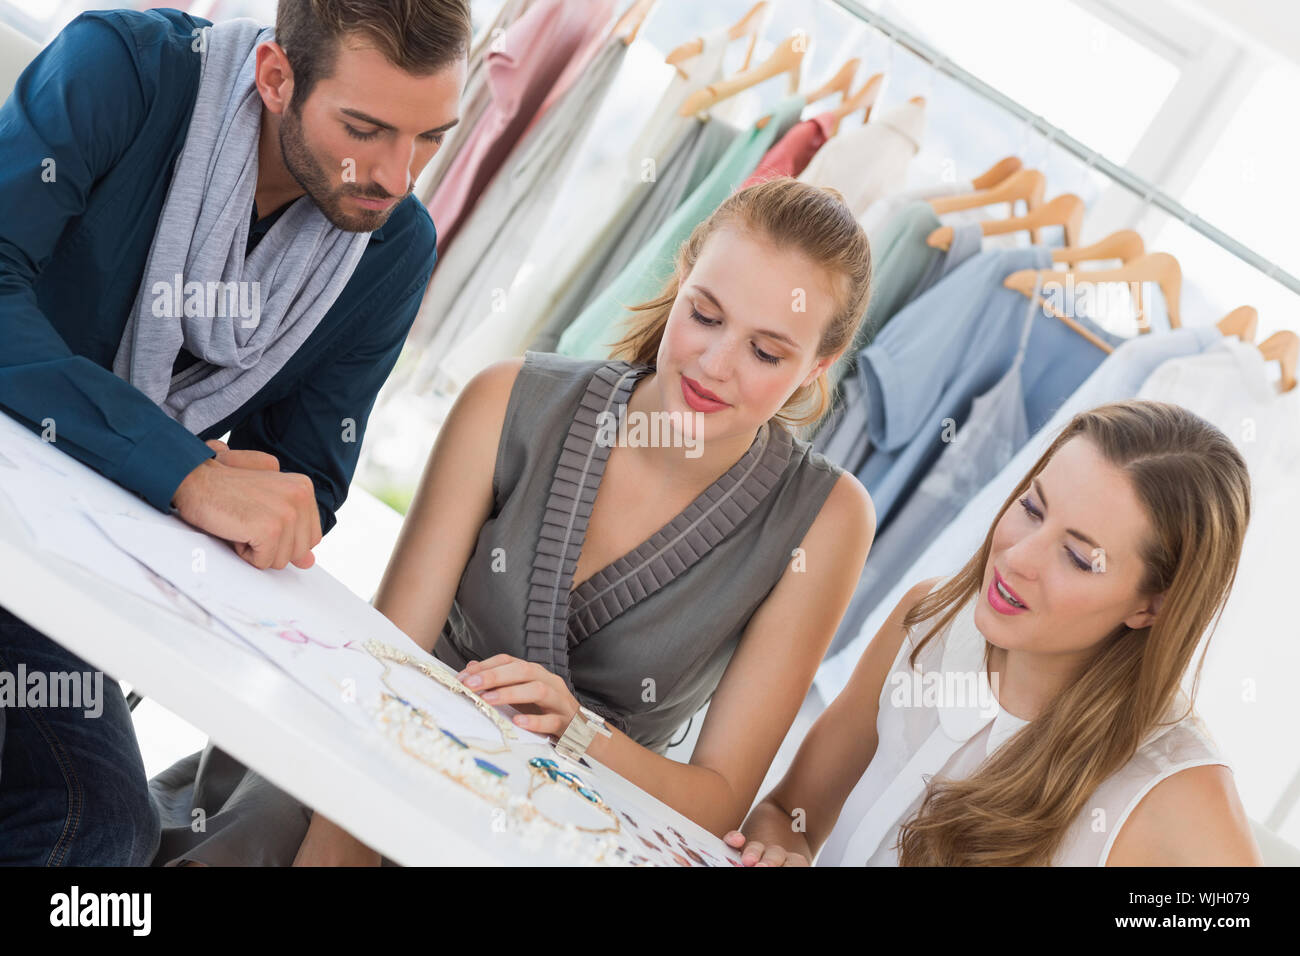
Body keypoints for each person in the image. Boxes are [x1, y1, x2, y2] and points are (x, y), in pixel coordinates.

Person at [150, 176, 878, 865]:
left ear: (819, 365)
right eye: (705, 315)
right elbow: (385, 662)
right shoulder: (506, 401)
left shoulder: (825, 520)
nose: (716, 363)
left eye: (765, 350)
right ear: (681, 278)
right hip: (368, 748)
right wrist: (348, 830)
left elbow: (716, 797)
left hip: (554, 835)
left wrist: (580, 731)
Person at [0, 0, 470, 864]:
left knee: (106, 836)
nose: (397, 175)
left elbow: (304, 484)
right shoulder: (124, 70)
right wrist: (184, 470)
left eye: (430, 137)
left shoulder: (392, 250)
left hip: (83, 581)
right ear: (276, 78)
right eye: (364, 128)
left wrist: (231, 493)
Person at [723, 400, 1264, 866]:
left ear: (1153, 607)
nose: (1018, 557)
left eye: (1078, 557)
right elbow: (787, 814)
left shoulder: (1173, 786)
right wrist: (777, 851)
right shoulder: (927, 621)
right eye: (1031, 508)